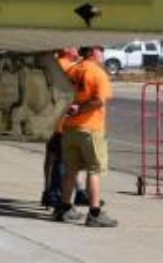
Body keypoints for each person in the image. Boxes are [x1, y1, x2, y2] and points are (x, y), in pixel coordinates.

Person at [51, 45, 118, 227]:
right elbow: (98, 101)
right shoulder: (98, 73)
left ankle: (64, 208)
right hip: (91, 129)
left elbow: (59, 94)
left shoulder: (72, 70)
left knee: (71, 170)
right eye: (99, 50)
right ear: (91, 53)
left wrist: (72, 109)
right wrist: (81, 109)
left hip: (70, 128)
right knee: (94, 170)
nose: (103, 54)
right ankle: (94, 213)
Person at [42, 47, 82, 207]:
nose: (77, 49)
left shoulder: (53, 64)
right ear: (66, 49)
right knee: (63, 161)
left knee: (52, 158)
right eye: (74, 47)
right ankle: (57, 194)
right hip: (63, 123)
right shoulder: (69, 67)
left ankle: (49, 191)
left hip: (52, 120)